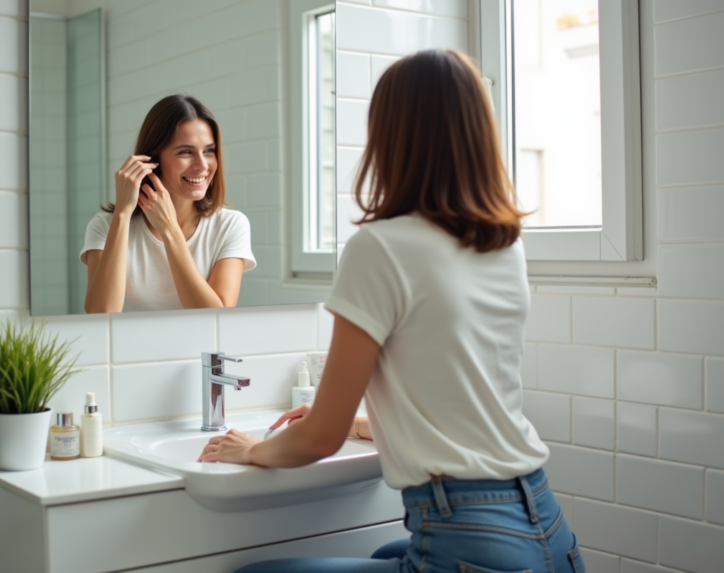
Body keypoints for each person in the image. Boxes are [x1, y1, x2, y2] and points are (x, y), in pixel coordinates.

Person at [198, 50, 585, 573]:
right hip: (546, 528)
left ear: (392, 134)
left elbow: (319, 439)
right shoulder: (503, 242)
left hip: (468, 537)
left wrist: (249, 451)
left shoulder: (379, 247)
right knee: (384, 552)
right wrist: (364, 423)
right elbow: (454, 394)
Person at [81, 95, 256, 313]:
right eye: (186, 152)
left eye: (209, 151)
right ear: (153, 160)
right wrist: (122, 215)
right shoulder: (105, 226)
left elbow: (216, 318)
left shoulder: (231, 225)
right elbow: (101, 313)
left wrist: (170, 230)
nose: (202, 165)